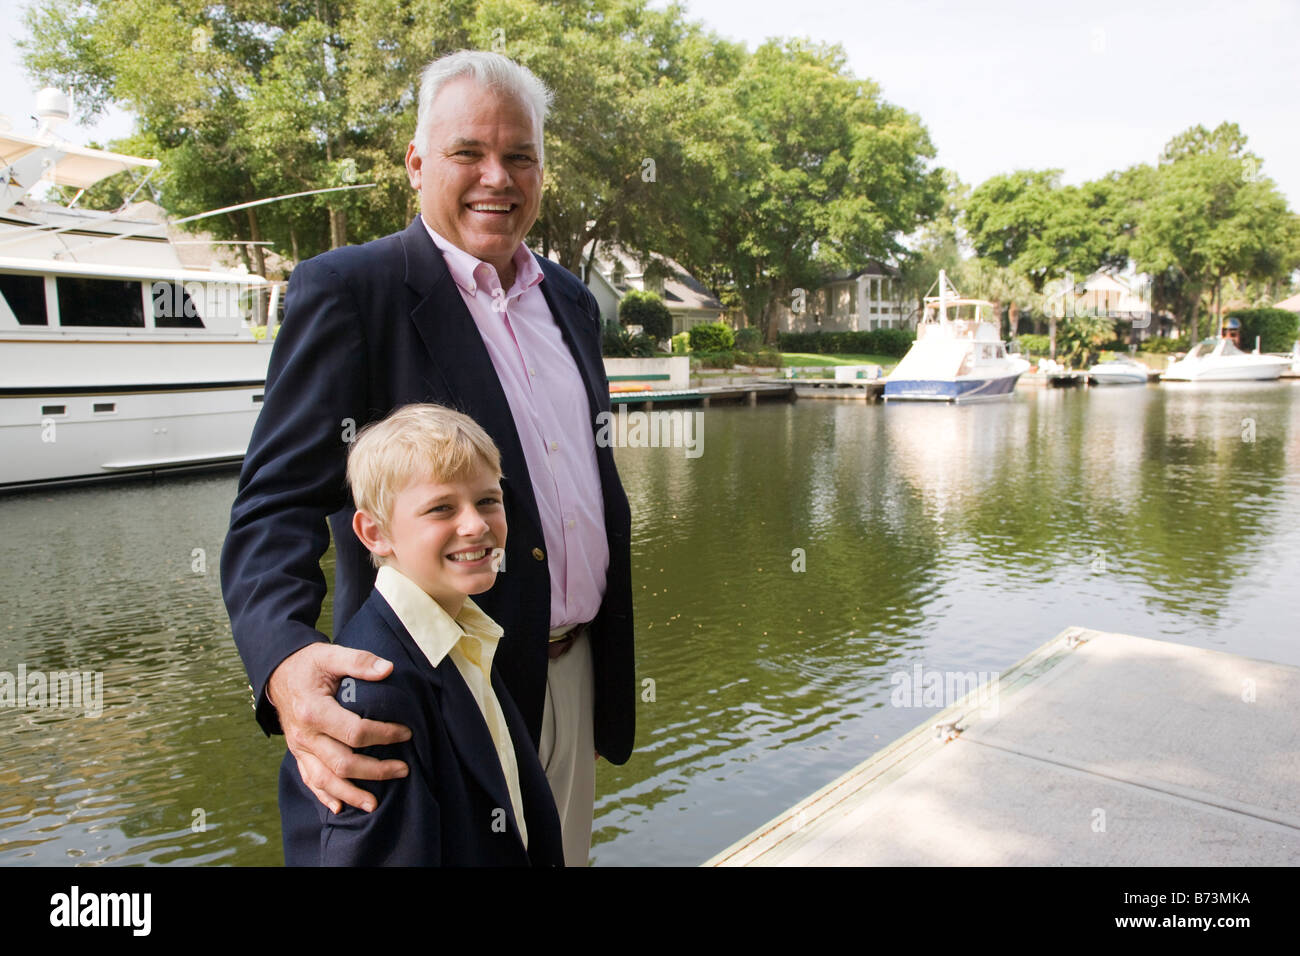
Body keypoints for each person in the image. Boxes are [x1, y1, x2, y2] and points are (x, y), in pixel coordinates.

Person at [221, 50, 634, 867]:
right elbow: (275, 505)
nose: (498, 177)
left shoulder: (573, 301)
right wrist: (285, 659)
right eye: (468, 153)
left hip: (575, 673)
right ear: (416, 164)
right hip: (442, 696)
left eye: (521, 157)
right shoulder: (350, 292)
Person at [280, 404, 564, 865]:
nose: (475, 524)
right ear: (374, 533)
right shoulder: (373, 699)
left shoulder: (464, 638)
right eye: (441, 508)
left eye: (489, 500)